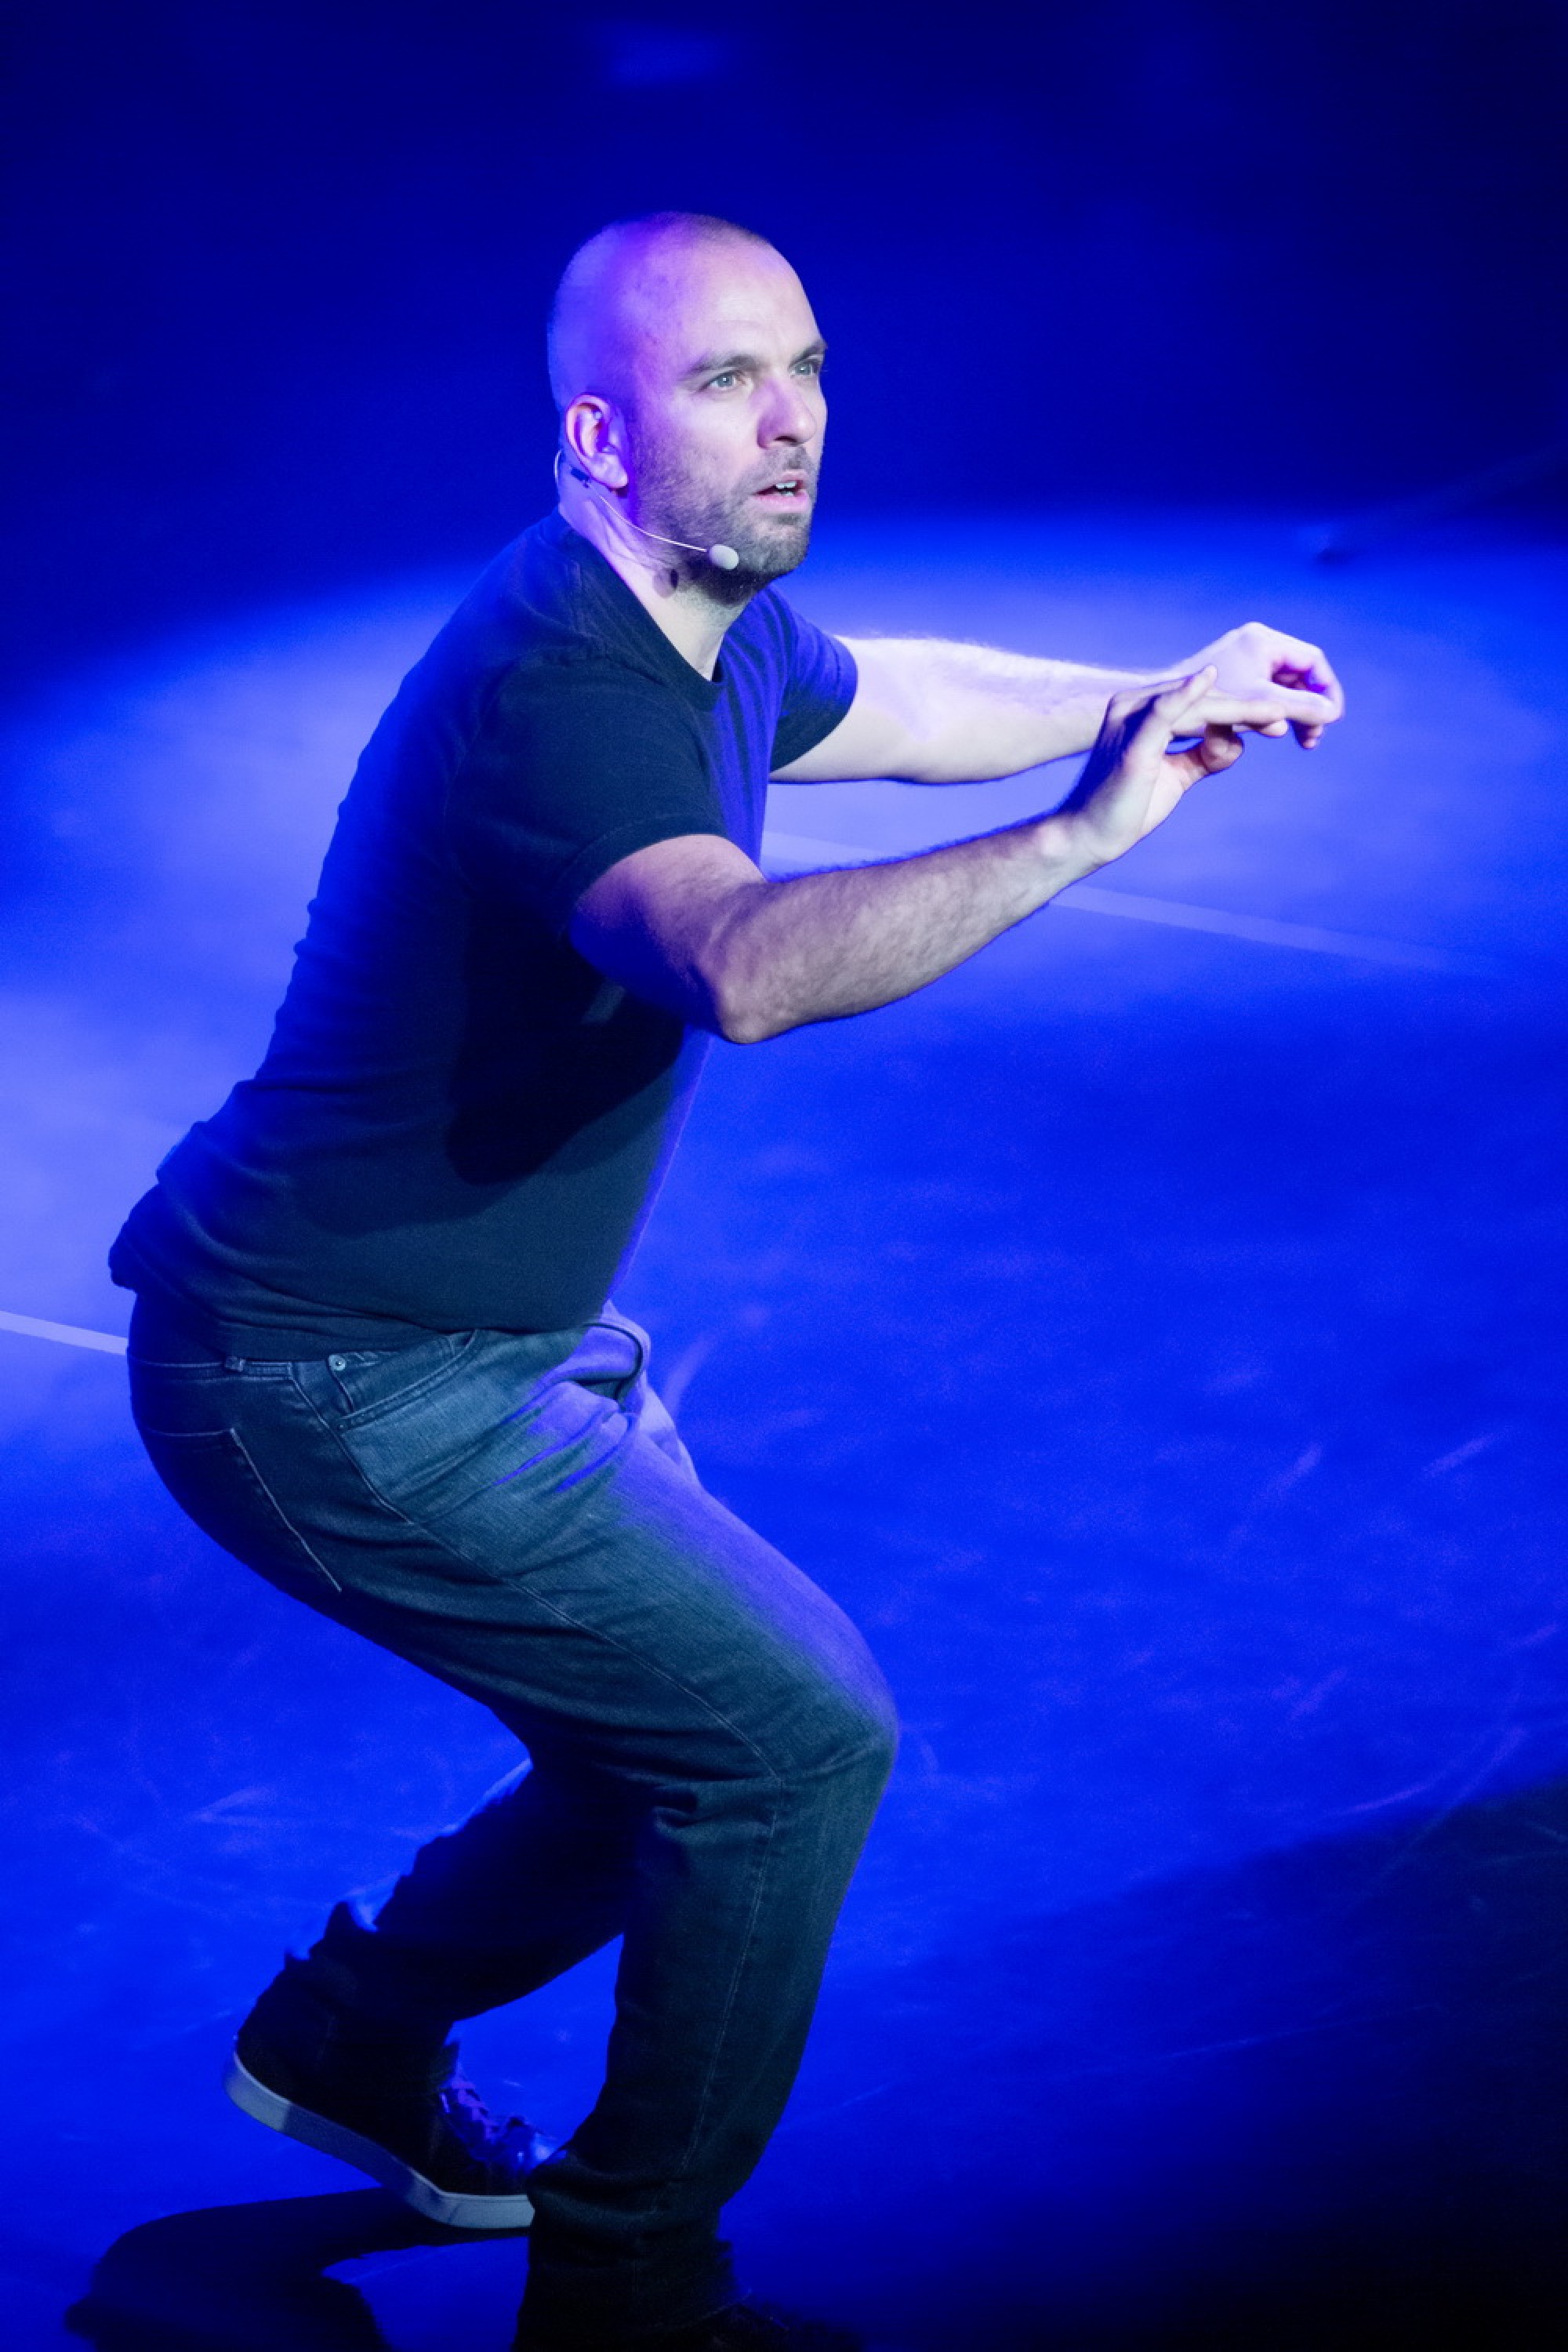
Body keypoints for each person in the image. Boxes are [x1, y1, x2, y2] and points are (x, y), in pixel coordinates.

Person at [111, 211, 1344, 2352]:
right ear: (599, 434)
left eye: (807, 372)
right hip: (325, 1374)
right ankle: (632, 2295)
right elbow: (743, 967)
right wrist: (1079, 834)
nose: (791, 428)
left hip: (501, 1347)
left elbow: (893, 691)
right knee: (786, 1747)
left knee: (650, 1754)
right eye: (722, 386)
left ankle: (346, 2045)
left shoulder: (709, 619)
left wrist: (1145, 693)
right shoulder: (561, 696)